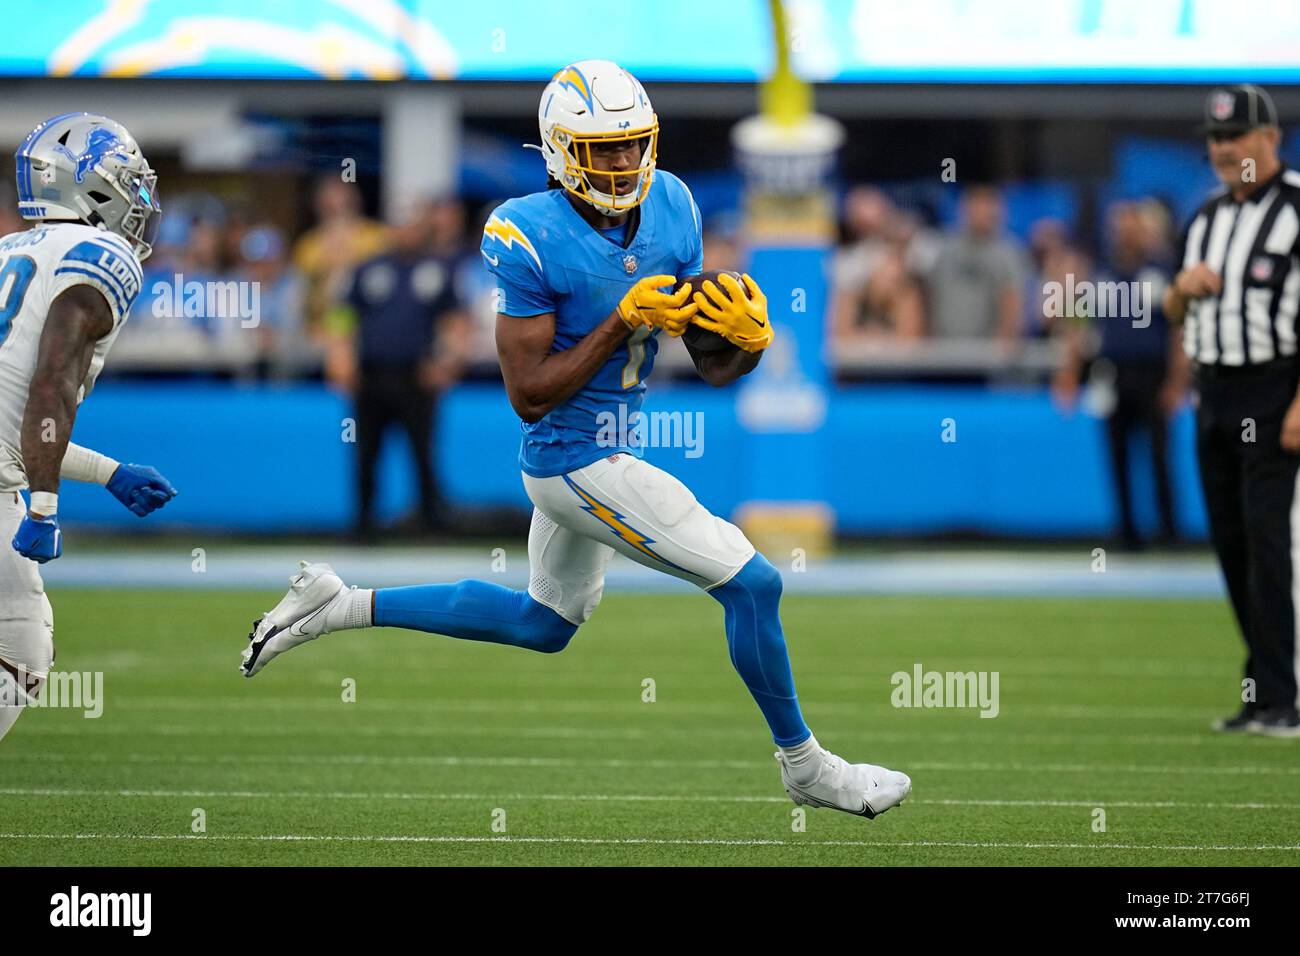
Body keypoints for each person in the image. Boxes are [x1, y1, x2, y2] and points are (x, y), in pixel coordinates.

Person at [240, 60, 911, 820]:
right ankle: (807, 766)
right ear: (561, 151)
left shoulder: (676, 207)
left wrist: (745, 340)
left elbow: (711, 364)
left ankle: (339, 604)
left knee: (543, 623)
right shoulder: (527, 232)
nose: (623, 163)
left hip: (610, 446)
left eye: (632, 145)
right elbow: (528, 394)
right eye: (604, 149)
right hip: (570, 456)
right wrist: (621, 319)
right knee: (754, 584)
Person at [0, 113, 176, 743]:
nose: (141, 197)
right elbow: (50, 382)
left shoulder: (9, 251)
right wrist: (44, 508)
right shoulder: (101, 253)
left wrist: (106, 473)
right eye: (129, 180)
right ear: (90, 184)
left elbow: (16, 420)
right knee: (20, 648)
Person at [1163, 84, 1300, 737]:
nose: (1224, 149)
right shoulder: (1206, 218)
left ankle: (1286, 693)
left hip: (1277, 390)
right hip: (1214, 394)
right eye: (1216, 139)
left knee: (1275, 544)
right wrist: (1178, 291)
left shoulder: (1298, 208)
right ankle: (1262, 689)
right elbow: (1173, 309)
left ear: (1270, 138)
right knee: (1233, 543)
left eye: (1236, 136)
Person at [325, 198, 471, 537]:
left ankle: (430, 523)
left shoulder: (437, 269)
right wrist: (340, 356)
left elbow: (456, 320)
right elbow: (342, 314)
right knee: (366, 453)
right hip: (371, 374)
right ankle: (364, 524)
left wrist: (447, 363)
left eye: (412, 224)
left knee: (422, 451)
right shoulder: (368, 268)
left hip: (416, 376)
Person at [1055, 201, 1186, 548]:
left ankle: (1169, 533)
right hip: (1110, 372)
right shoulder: (1100, 272)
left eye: (1132, 226)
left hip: (1151, 373)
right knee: (1117, 456)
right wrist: (1069, 372)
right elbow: (1077, 322)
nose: (1126, 234)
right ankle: (1127, 532)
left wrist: (1177, 380)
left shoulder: (1161, 271)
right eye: (1120, 227)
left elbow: (1178, 329)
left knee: (1159, 457)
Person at [925, 185, 1027, 342]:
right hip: (943, 352)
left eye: (987, 203)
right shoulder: (945, 249)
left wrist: (1004, 343)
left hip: (987, 355)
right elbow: (930, 296)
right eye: (975, 203)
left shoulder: (1009, 253)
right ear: (964, 207)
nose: (981, 210)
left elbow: (1013, 302)